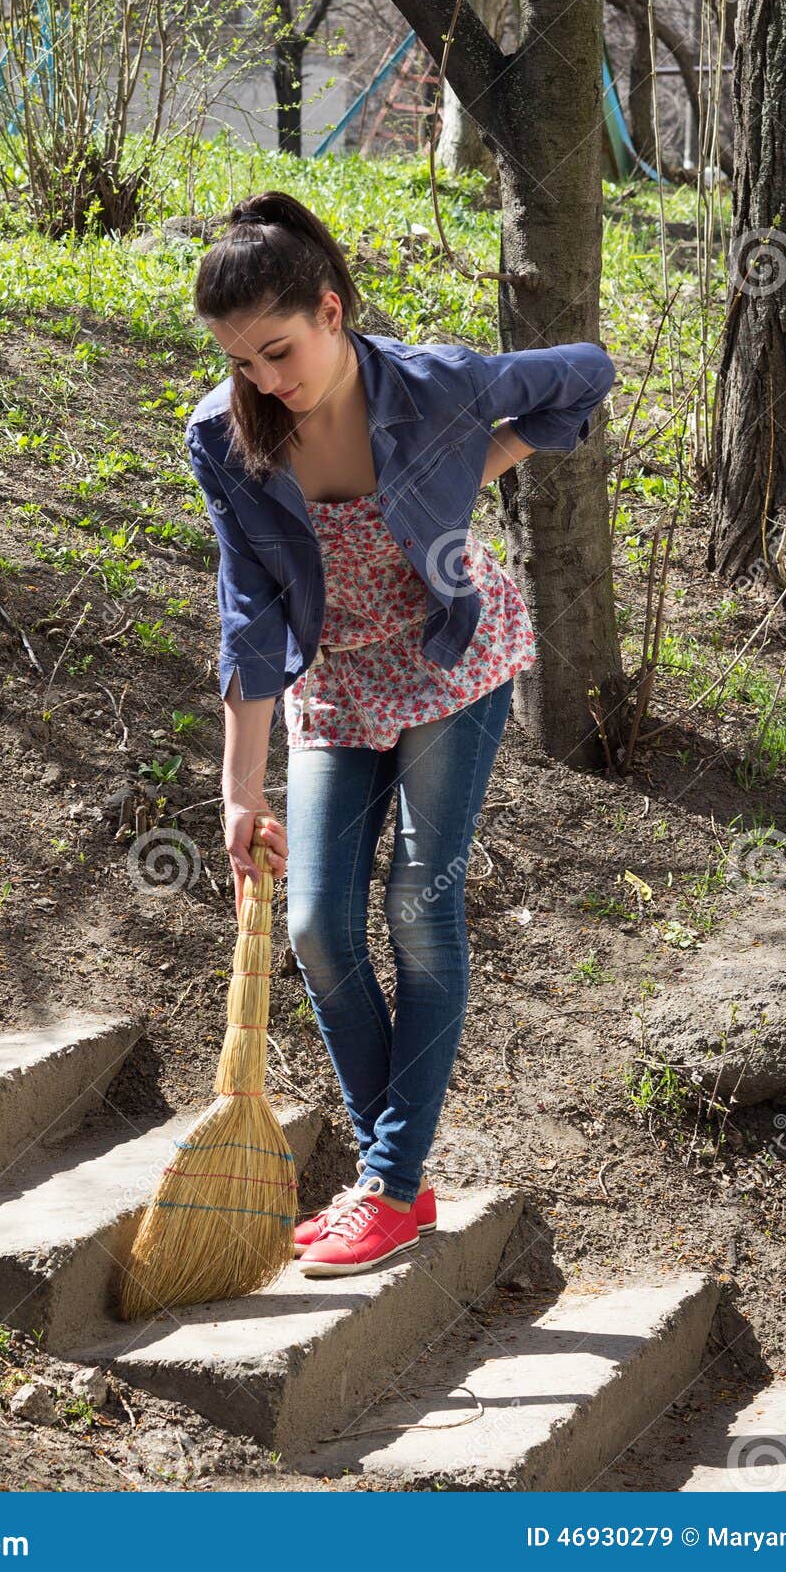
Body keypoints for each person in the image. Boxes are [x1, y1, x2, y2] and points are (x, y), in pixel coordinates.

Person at [185, 189, 617, 1279]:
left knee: (420, 906)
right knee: (318, 928)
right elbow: (250, 609)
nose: (264, 382)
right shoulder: (219, 436)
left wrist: (463, 467)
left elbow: (585, 376)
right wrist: (239, 787)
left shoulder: (436, 384)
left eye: (279, 351)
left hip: (448, 661)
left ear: (332, 312)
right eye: (243, 362)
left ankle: (385, 1183)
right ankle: (401, 1179)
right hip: (333, 686)